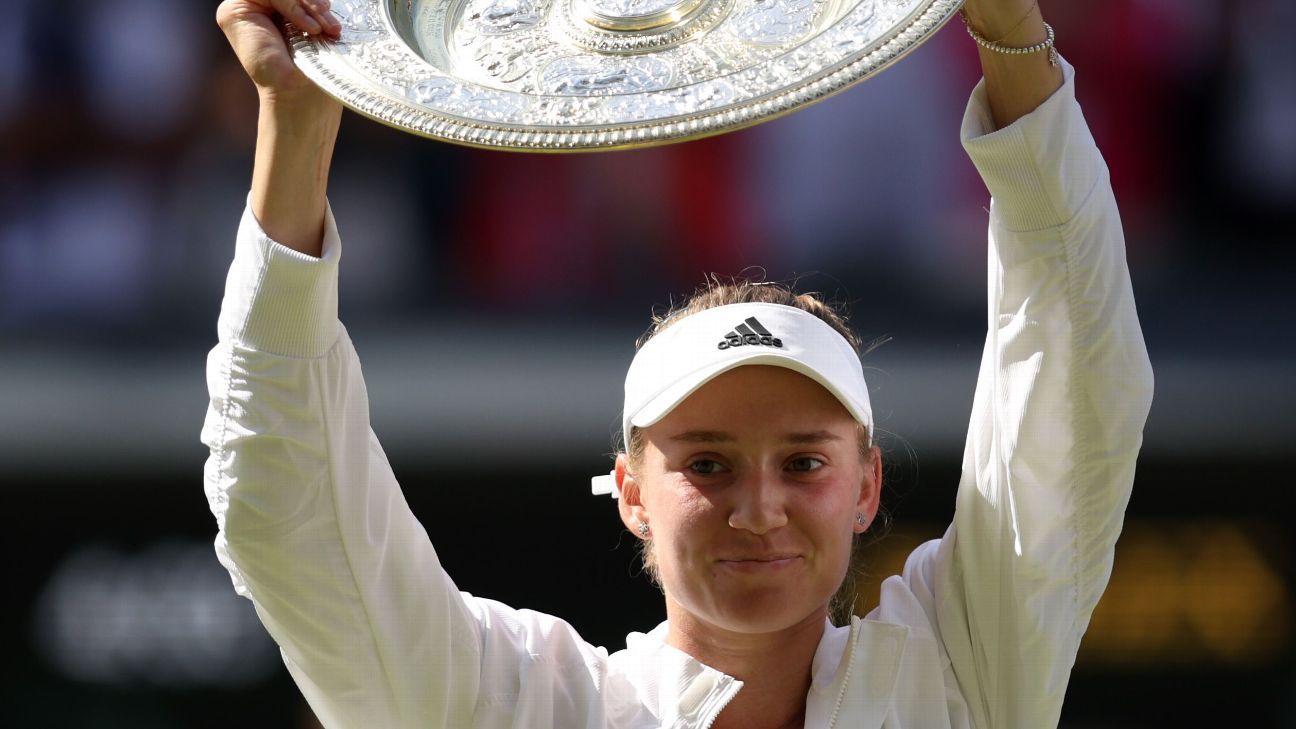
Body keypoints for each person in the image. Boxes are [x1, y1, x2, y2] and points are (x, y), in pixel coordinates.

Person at [203, 0, 1154, 727]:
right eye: (706, 462)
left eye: (804, 461)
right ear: (631, 492)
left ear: (867, 486)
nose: (759, 507)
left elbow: (1073, 388)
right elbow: (292, 524)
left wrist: (1011, 34)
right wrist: (297, 123)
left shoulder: (957, 669)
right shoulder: (529, 705)